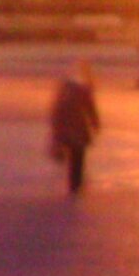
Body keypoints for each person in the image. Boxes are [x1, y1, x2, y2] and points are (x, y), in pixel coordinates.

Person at [49, 61, 102, 193]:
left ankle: (74, 182)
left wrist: (56, 131)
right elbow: (91, 109)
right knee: (78, 156)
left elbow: (56, 111)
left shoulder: (65, 90)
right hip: (79, 128)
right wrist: (96, 124)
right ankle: (76, 182)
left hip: (67, 128)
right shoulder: (84, 90)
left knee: (73, 155)